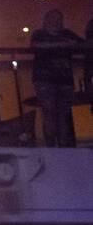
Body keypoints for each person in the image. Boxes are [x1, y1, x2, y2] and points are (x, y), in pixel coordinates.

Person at [30, 9, 80, 147]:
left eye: (59, 18)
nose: (56, 21)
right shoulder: (39, 34)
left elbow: (83, 45)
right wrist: (62, 44)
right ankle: (52, 147)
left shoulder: (67, 34)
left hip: (64, 81)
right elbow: (36, 45)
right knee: (49, 113)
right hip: (45, 80)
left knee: (63, 115)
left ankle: (63, 148)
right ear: (46, 20)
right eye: (53, 18)